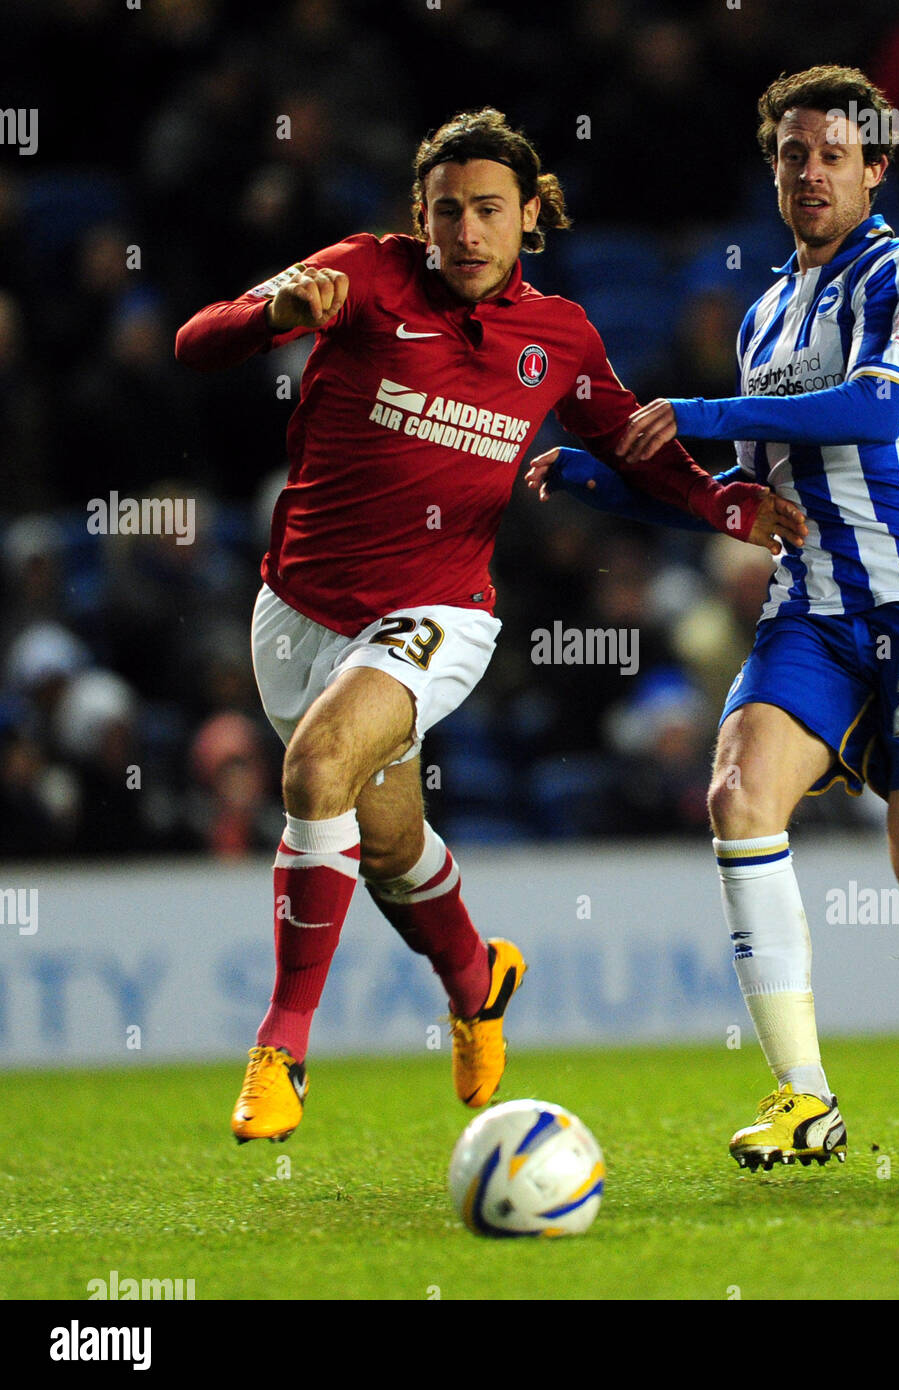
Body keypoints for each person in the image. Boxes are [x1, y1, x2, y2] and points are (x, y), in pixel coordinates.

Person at [175, 107, 799, 1145]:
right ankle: (476, 978)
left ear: (530, 216)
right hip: (295, 612)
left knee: (316, 771)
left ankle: (281, 1048)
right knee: (386, 842)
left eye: (489, 210)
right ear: (418, 217)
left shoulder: (558, 337)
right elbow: (197, 343)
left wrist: (718, 503)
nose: (467, 231)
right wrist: (272, 311)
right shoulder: (361, 275)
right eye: (447, 211)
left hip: (436, 612)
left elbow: (632, 442)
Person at [527, 66, 899, 1168]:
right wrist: (604, 484)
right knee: (736, 791)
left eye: (832, 155)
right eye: (791, 155)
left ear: (874, 168)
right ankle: (804, 1098)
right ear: (772, 171)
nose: (810, 172)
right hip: (810, 605)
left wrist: (697, 409)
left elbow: (876, 407)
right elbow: (749, 497)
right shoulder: (766, 315)